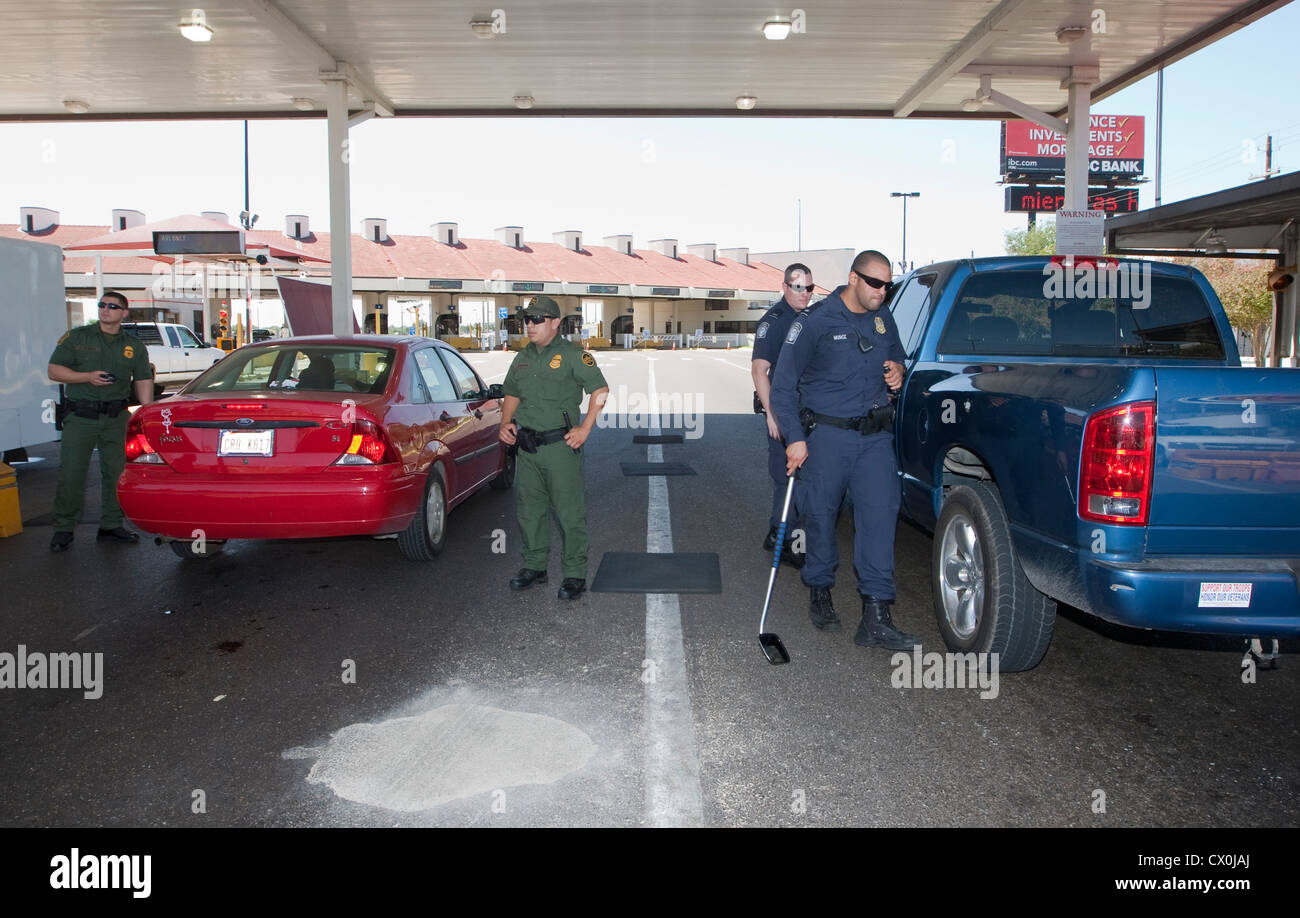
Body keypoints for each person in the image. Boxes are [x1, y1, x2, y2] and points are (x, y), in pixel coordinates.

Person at [769, 251, 920, 651]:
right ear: (853, 278)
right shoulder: (814, 321)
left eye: (887, 285)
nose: (882, 291)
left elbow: (898, 355)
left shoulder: (882, 316)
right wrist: (795, 437)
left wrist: (898, 371)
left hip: (874, 438)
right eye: (874, 283)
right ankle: (820, 588)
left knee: (880, 519)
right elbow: (783, 387)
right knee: (820, 516)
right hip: (827, 439)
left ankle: (876, 615)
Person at [499, 295, 609, 600]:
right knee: (529, 511)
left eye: (537, 320)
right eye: (527, 320)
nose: (530, 326)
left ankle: (574, 574)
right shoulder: (522, 357)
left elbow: (600, 390)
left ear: (555, 323)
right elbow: (512, 392)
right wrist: (506, 422)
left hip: (560, 447)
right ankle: (535, 566)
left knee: (569, 513)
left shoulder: (573, 356)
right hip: (528, 447)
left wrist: (585, 428)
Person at [46, 290, 155, 552]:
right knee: (72, 472)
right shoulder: (78, 337)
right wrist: (86, 377)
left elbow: (143, 379)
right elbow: (54, 370)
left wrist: (145, 414)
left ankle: (111, 525)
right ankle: (63, 528)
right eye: (102, 305)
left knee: (116, 475)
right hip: (80, 417)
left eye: (113, 307)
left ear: (124, 313)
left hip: (116, 417)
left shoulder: (133, 346)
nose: (105, 310)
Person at [751, 263, 815, 566]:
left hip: (805, 411)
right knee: (787, 477)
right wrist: (772, 414)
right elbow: (759, 370)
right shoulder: (775, 321)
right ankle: (784, 540)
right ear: (785, 287)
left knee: (800, 477)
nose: (804, 293)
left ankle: (779, 532)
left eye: (809, 288)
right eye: (798, 287)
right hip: (784, 412)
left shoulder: (807, 319)